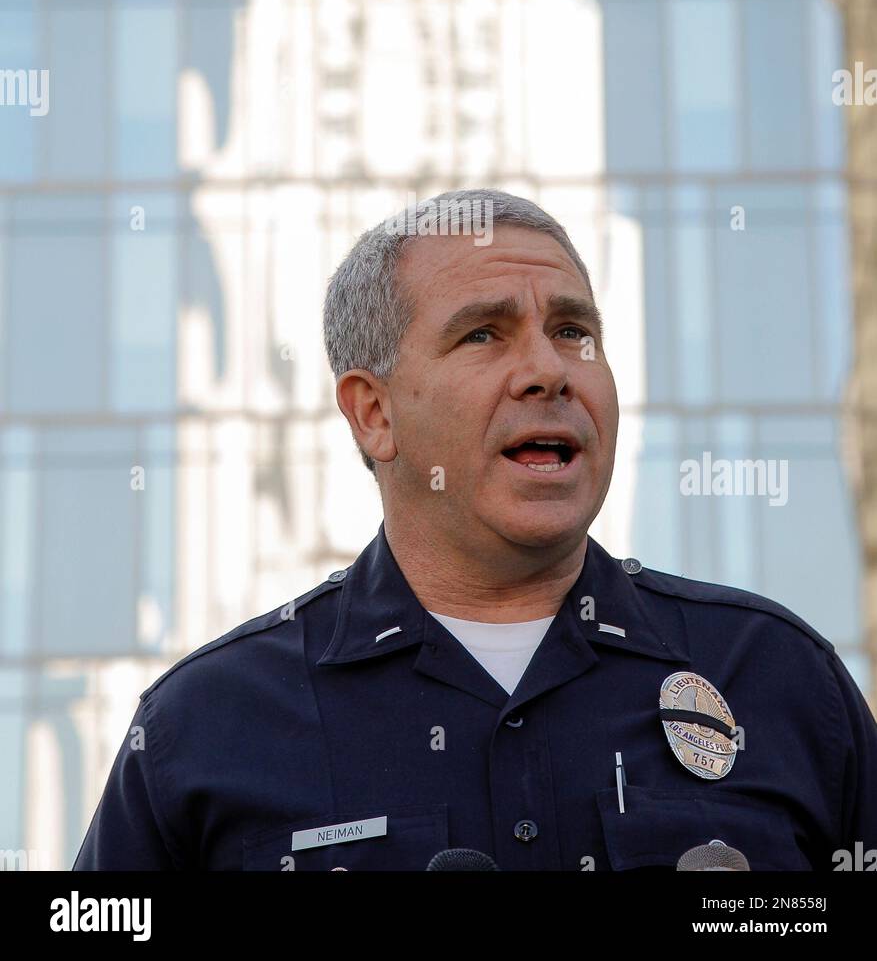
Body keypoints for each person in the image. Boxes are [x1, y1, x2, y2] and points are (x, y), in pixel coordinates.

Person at [73, 189, 877, 870]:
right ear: (374, 413)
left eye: (572, 331)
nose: (548, 370)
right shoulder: (210, 725)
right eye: (483, 334)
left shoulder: (777, 679)